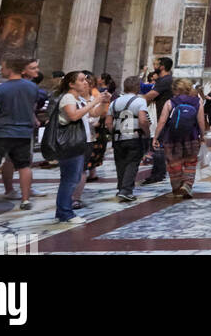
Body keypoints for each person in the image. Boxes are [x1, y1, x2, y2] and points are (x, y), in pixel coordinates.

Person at [54, 70, 110, 224]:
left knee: (74, 177)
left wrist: (103, 102)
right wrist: (94, 100)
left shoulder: (78, 99)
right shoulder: (68, 98)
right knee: (70, 179)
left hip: (81, 142)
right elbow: (73, 116)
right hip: (70, 143)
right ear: (71, 84)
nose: (85, 82)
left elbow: (93, 113)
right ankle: (65, 213)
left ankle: (64, 211)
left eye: (85, 79)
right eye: (81, 80)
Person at [0, 57, 38, 210]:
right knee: (24, 166)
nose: (1, 70)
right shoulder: (32, 87)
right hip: (23, 132)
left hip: (1, 131)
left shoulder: (1, 89)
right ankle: (26, 199)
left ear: (10, 69)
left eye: (3, 67)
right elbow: (31, 107)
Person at [153, 77, 206, 197]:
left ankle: (177, 187)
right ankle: (187, 185)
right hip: (191, 137)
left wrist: (156, 137)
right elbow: (201, 121)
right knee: (190, 162)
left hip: (171, 138)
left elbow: (162, 121)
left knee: (174, 163)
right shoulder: (197, 101)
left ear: (175, 89)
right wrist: (202, 135)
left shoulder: (170, 102)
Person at [106, 75, 150, 203]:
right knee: (132, 163)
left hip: (118, 137)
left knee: (120, 163)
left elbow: (108, 122)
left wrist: (113, 133)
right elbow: (143, 120)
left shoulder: (114, 102)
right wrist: (146, 133)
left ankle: (121, 188)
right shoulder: (140, 101)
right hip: (134, 136)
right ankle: (126, 190)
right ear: (137, 87)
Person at [145, 56, 174, 184]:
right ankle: (159, 172)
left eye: (156, 64)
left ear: (162, 66)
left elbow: (151, 95)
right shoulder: (163, 80)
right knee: (160, 144)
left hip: (164, 116)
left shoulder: (165, 80)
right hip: (161, 114)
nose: (154, 65)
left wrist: (133, 101)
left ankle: (158, 173)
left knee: (158, 144)